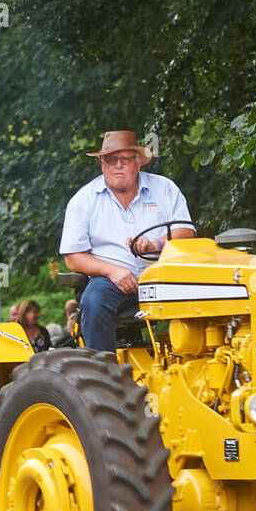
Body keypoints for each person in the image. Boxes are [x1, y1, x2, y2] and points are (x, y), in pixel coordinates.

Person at [60, 129, 194, 353]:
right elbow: (73, 258)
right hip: (112, 283)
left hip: (165, 275)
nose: (118, 165)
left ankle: (199, 360)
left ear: (138, 162)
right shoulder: (83, 200)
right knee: (93, 301)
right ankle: (103, 372)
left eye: (125, 159)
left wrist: (156, 245)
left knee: (211, 290)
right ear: (102, 164)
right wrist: (113, 271)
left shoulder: (165, 188)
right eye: (111, 160)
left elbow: (186, 231)